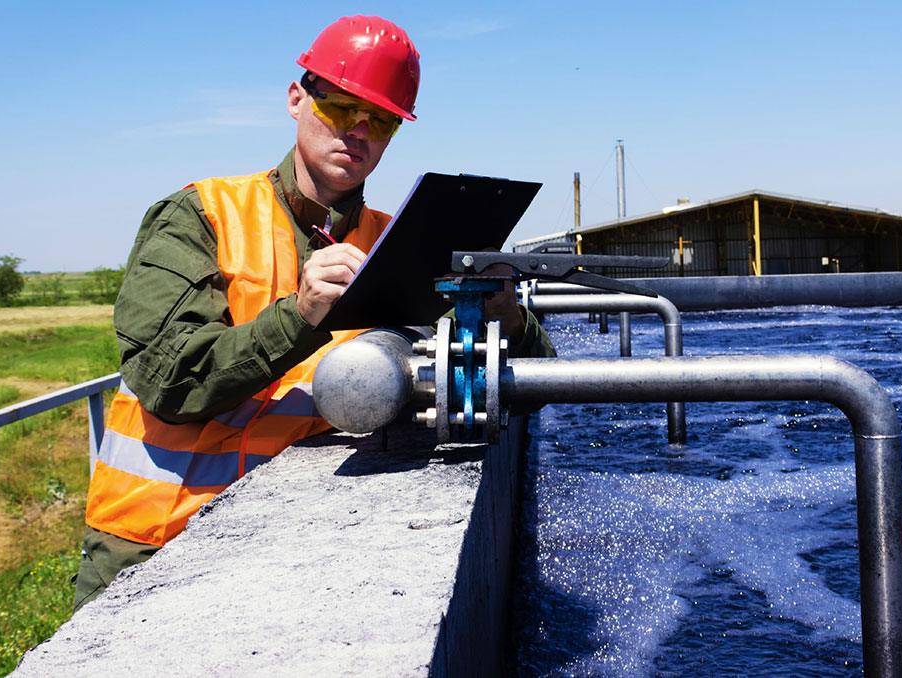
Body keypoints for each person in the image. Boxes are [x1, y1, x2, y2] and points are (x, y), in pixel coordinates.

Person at [73, 15, 554, 610]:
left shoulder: (395, 245)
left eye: (380, 120)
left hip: (301, 541)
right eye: (340, 109)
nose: (358, 132)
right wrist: (299, 315)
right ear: (297, 98)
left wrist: (506, 318)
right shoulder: (201, 215)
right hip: (158, 543)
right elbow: (166, 381)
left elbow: (533, 392)